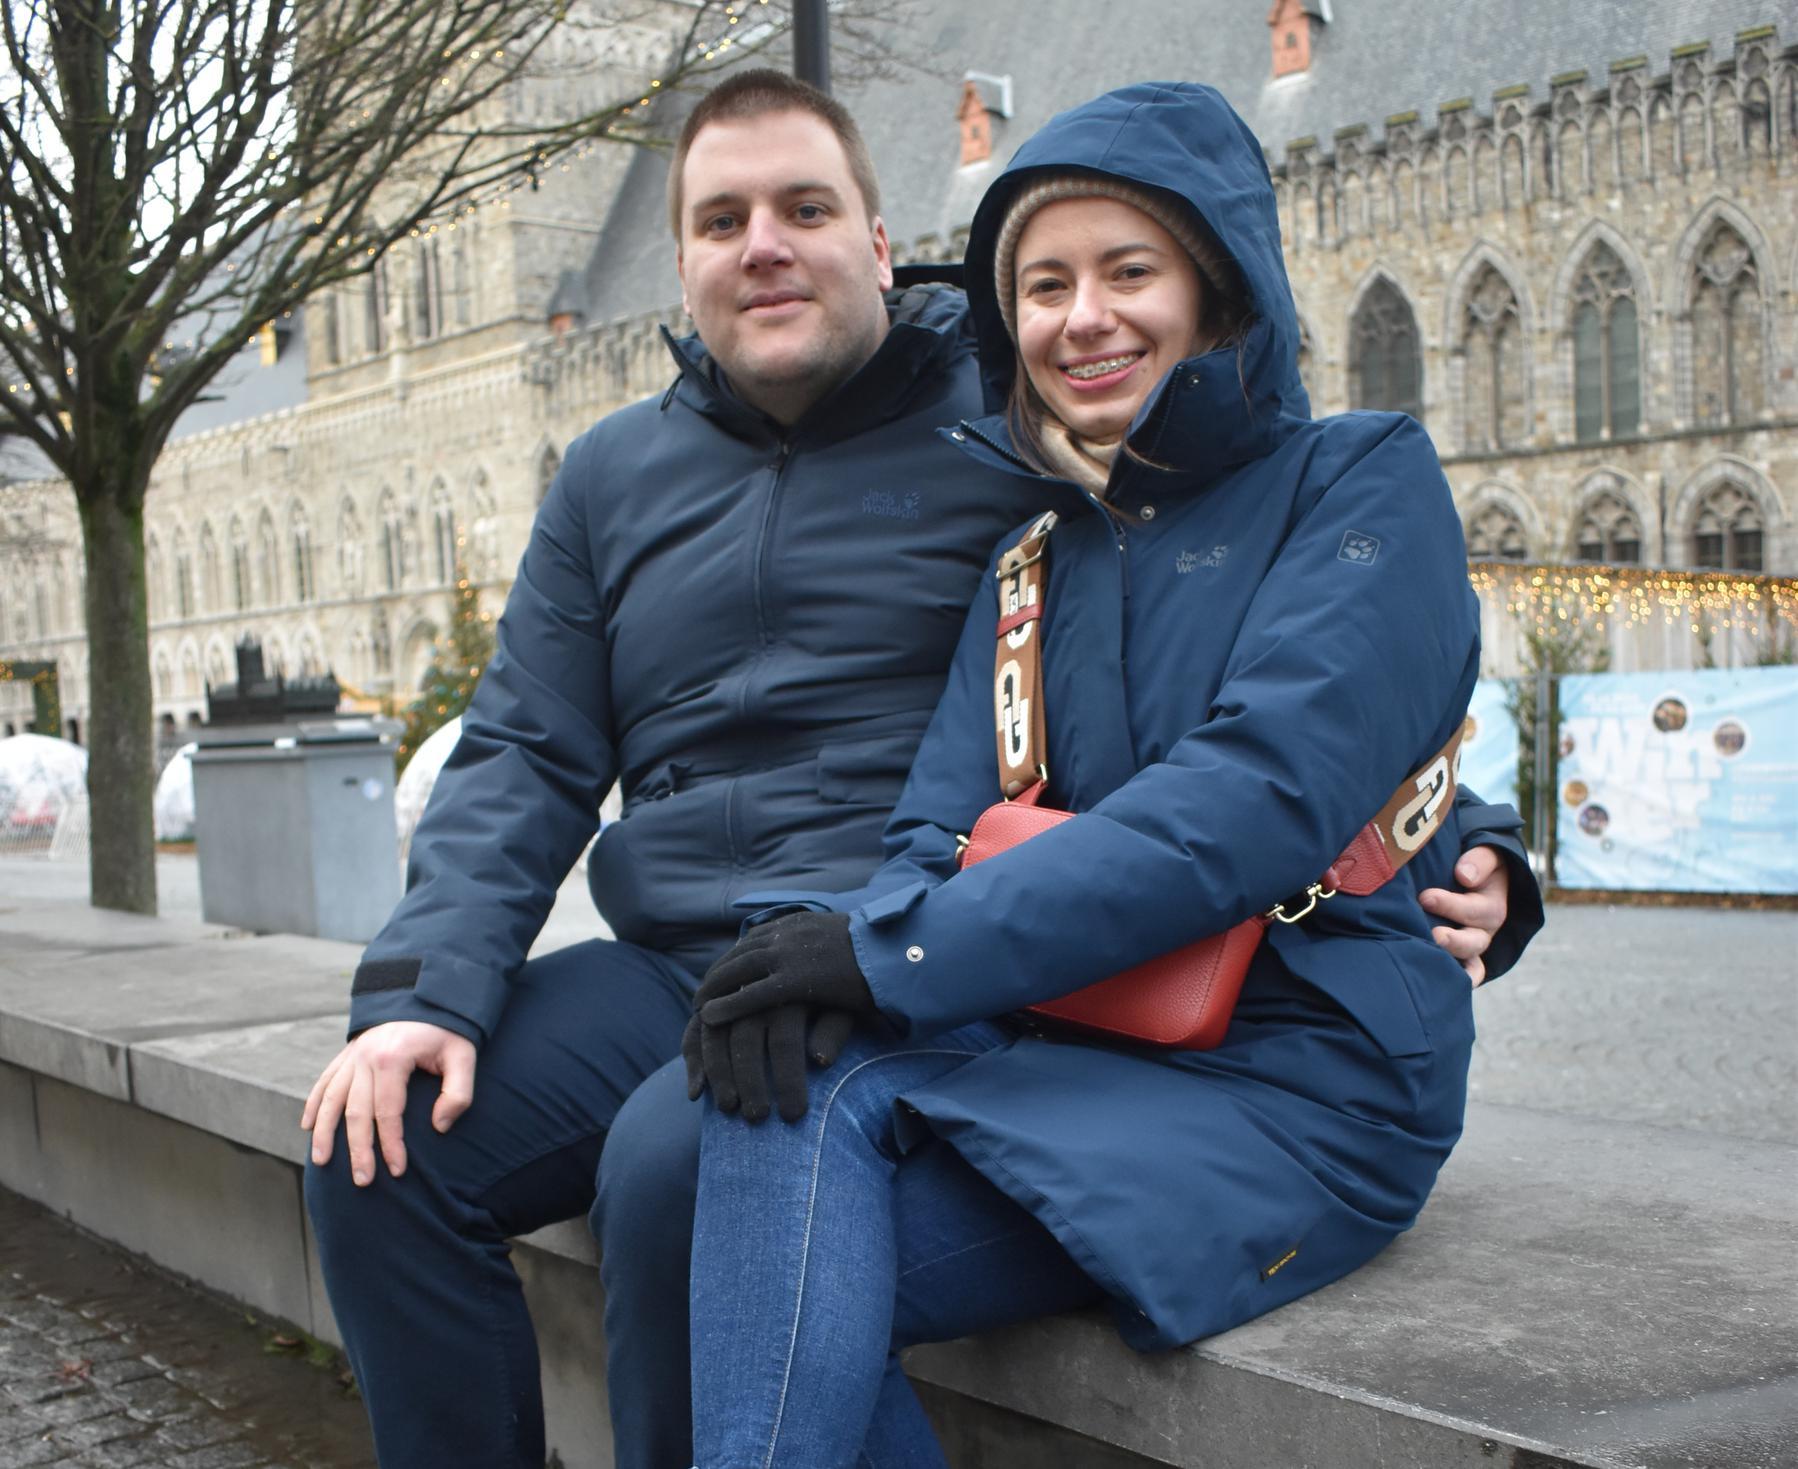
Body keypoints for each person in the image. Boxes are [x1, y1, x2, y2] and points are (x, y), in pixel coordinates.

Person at [301, 71, 1538, 1469]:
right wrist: (423, 992)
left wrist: (1460, 837)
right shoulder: (621, 478)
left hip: (940, 970)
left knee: (691, 1174)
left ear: (882, 245)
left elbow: (1267, 687)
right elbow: (521, 747)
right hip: (745, 959)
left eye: (804, 207)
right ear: (686, 258)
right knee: (376, 1139)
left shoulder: (1029, 425)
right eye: (719, 219)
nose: (761, 243)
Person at [650, 80, 1506, 1468]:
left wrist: (883, 956)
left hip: (1302, 1086)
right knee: (780, 1131)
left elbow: (1259, 796)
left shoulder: (1358, 481)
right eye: (1041, 285)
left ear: (1217, 288)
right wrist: (840, 962)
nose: (1081, 317)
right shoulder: (1030, 564)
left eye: (1128, 271)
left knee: (787, 1270)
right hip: (1078, 1048)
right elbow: (931, 827)